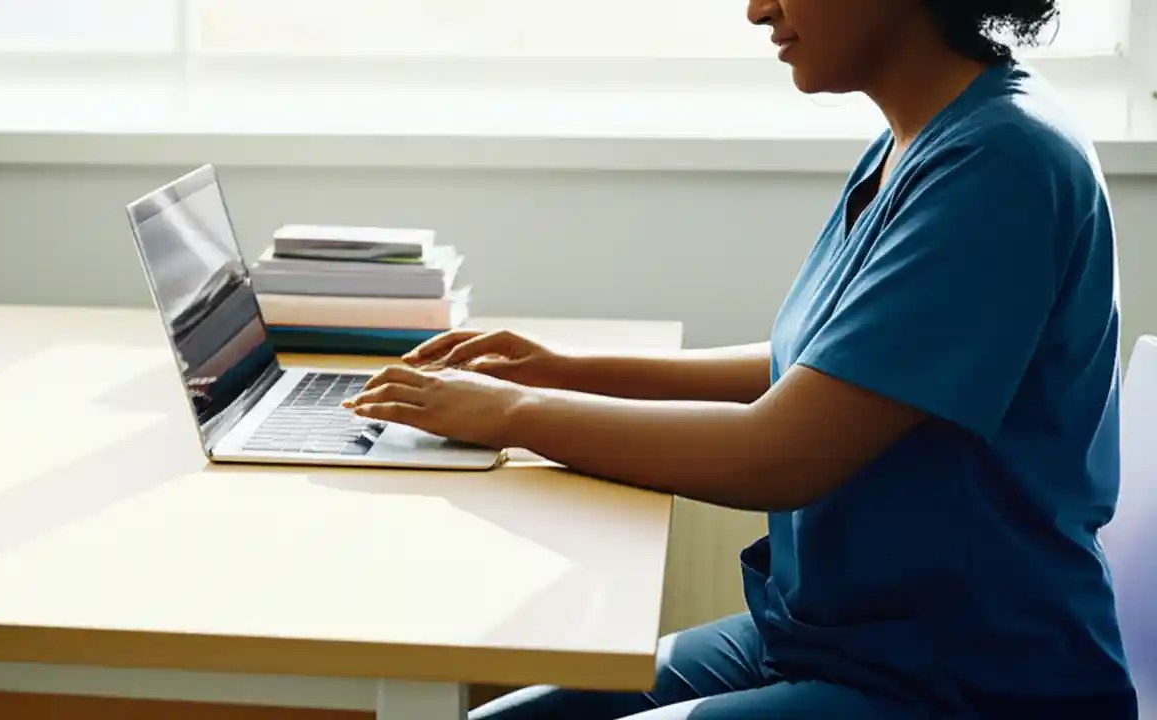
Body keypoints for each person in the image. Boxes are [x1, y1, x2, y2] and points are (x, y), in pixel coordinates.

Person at [343, 0, 1139, 717]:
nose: (758, 10)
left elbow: (780, 454)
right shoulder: (921, 138)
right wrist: (565, 371)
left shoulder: (1000, 165)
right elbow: (826, 371)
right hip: (840, 642)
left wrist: (513, 414)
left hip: (967, 681)